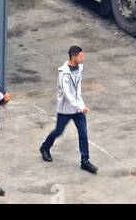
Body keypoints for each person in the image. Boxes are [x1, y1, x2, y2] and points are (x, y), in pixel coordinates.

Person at [39, 45, 97, 173]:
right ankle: (45, 147)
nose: (83, 58)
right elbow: (67, 94)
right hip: (66, 109)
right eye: (81, 56)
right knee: (58, 131)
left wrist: (80, 105)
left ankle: (85, 161)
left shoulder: (80, 67)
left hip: (78, 109)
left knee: (83, 134)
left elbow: (77, 89)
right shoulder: (64, 74)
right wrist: (81, 106)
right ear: (73, 57)